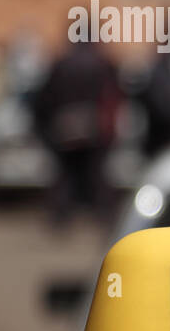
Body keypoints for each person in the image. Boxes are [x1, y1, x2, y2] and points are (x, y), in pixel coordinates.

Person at [31, 36, 121, 228]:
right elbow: (116, 93)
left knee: (66, 174)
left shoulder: (62, 62)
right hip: (96, 126)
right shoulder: (103, 63)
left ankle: (60, 218)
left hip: (66, 125)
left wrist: (46, 125)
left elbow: (45, 97)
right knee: (97, 173)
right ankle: (105, 217)